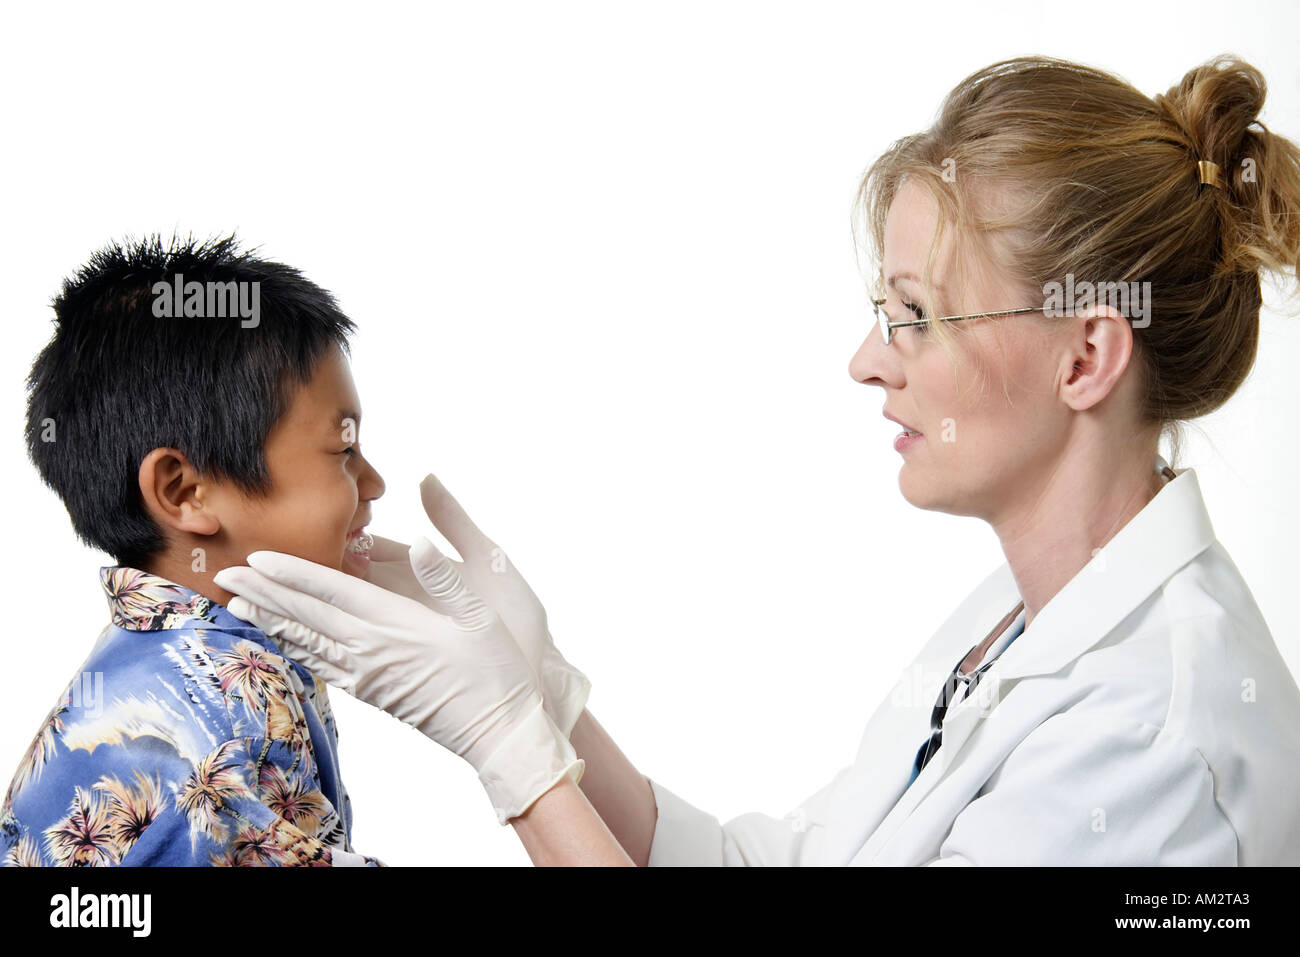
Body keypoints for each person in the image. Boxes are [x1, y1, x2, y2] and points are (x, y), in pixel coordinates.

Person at [214, 54, 1300, 865]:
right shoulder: (1015, 621)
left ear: (1086, 356)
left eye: (916, 316)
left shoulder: (1152, 731)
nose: (867, 361)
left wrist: (513, 758)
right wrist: (545, 696)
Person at [1, 235, 394, 866]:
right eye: (342, 451)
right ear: (185, 491)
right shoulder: (234, 718)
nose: (374, 483)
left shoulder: (167, 651)